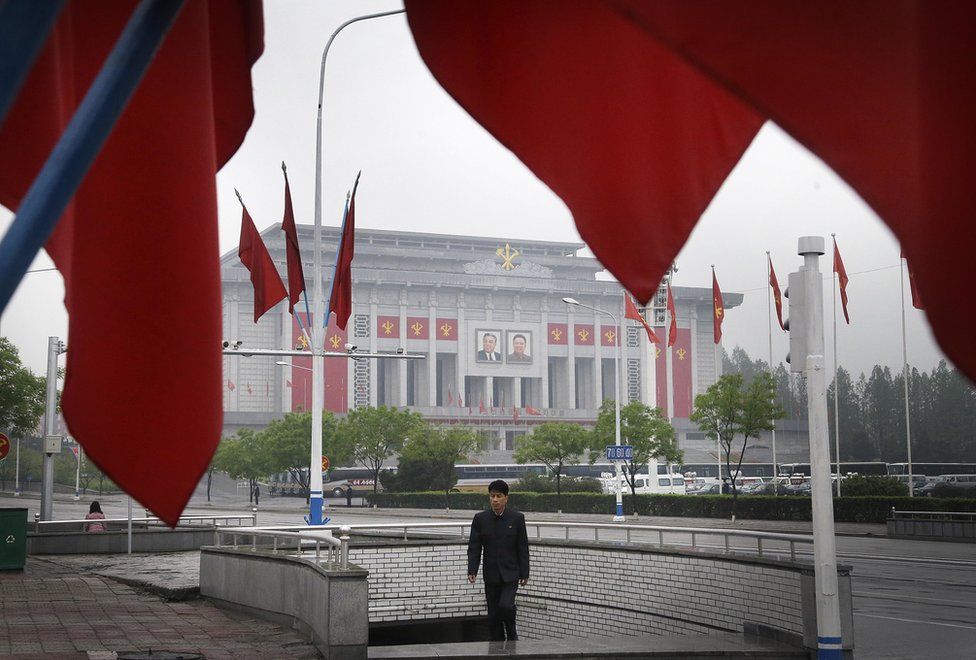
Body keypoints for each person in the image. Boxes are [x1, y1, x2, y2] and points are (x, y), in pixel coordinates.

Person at [467, 479, 529, 641]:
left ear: (506, 498)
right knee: (493, 615)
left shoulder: (517, 518)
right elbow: (474, 546)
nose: (495, 499)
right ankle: (497, 648)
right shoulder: (481, 519)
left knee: (506, 606)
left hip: (511, 574)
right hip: (491, 574)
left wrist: (525, 573)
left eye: (499, 496)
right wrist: (472, 569)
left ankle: (512, 635)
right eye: (492, 496)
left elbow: (522, 547)